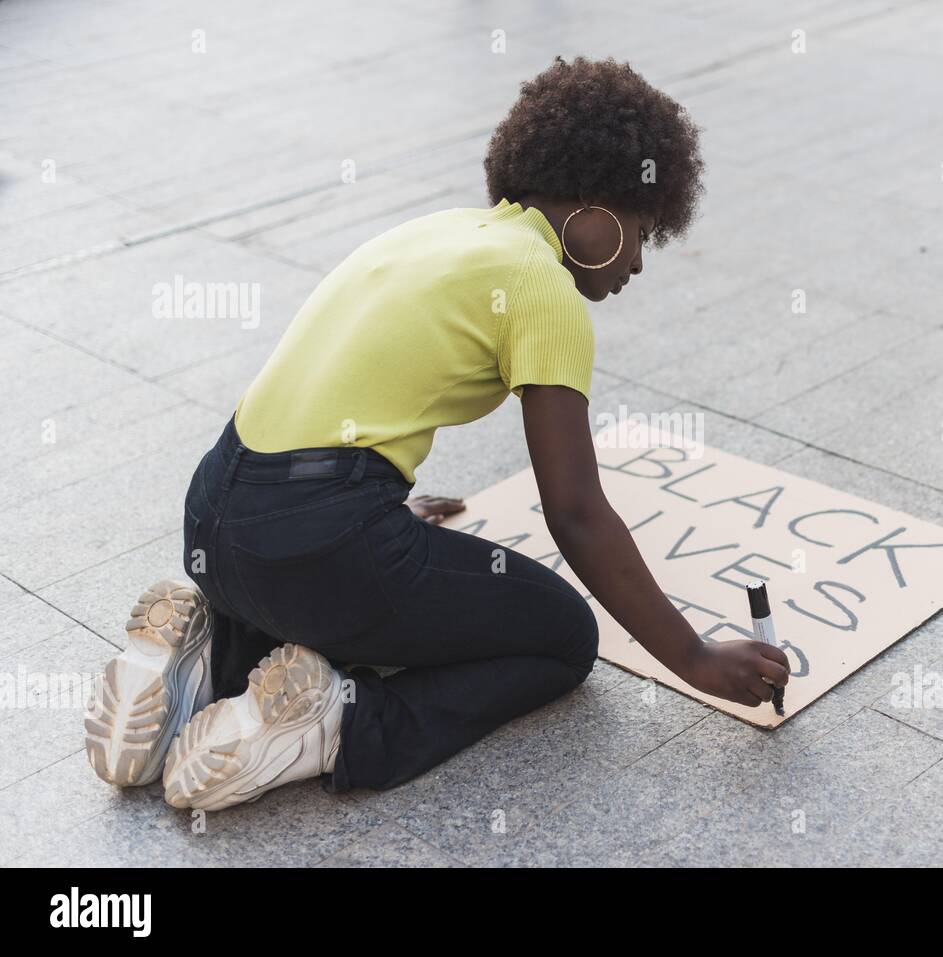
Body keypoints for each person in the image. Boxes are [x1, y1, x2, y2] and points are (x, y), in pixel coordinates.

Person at [84, 55, 789, 811]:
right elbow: (577, 512)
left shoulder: (438, 233)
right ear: (595, 209)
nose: (640, 264)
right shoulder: (545, 287)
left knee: (331, 598)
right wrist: (694, 656)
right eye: (642, 232)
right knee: (562, 637)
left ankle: (199, 672)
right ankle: (344, 724)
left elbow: (322, 408)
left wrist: (377, 521)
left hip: (218, 514)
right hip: (315, 545)